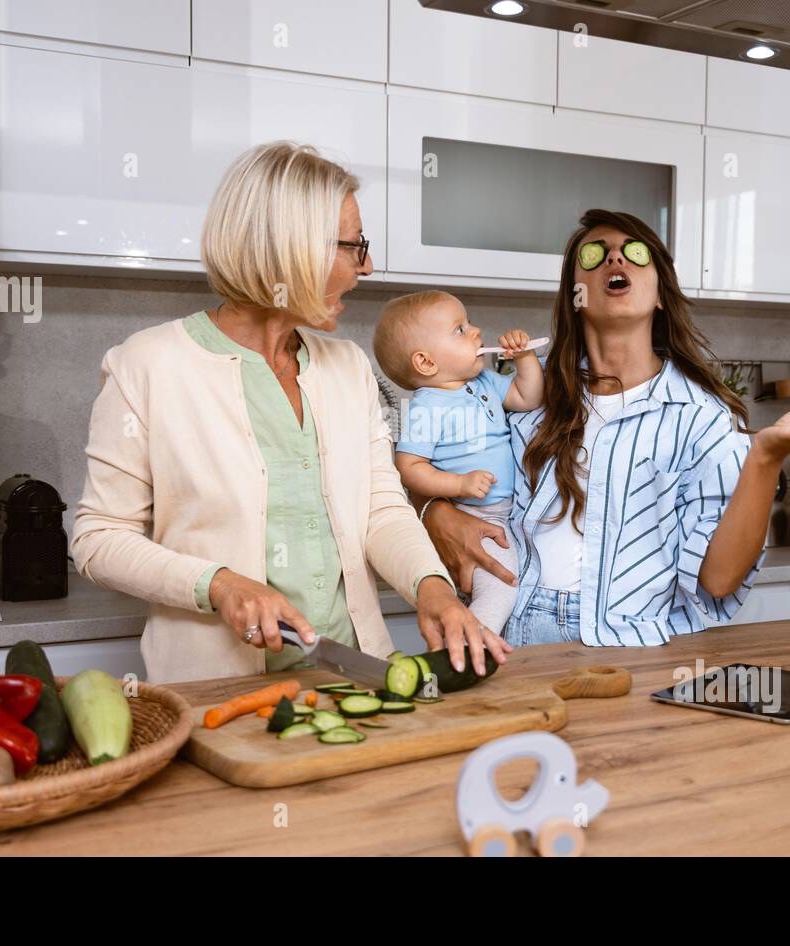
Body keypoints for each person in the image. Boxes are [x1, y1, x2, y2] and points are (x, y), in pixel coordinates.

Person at [71, 142, 512, 683]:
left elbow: (381, 507)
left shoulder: (346, 366)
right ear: (293, 248)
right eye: (355, 246)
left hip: (355, 674)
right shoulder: (148, 365)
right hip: (214, 692)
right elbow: (98, 538)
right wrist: (220, 583)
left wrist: (432, 588)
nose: (367, 266)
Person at [415, 208, 790, 646]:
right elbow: (414, 464)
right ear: (574, 295)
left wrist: (766, 457)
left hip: (634, 647)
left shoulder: (701, 416)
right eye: (595, 256)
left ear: (660, 294)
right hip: (513, 634)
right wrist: (437, 513)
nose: (616, 260)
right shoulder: (523, 391)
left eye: (635, 253)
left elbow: (718, 581)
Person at [373, 290, 543, 634]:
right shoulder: (426, 405)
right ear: (426, 362)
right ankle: (470, 646)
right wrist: (459, 485)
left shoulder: (484, 382)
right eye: (459, 330)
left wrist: (524, 358)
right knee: (501, 590)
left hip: (508, 516)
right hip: (473, 517)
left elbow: (528, 397)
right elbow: (409, 467)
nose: (476, 331)